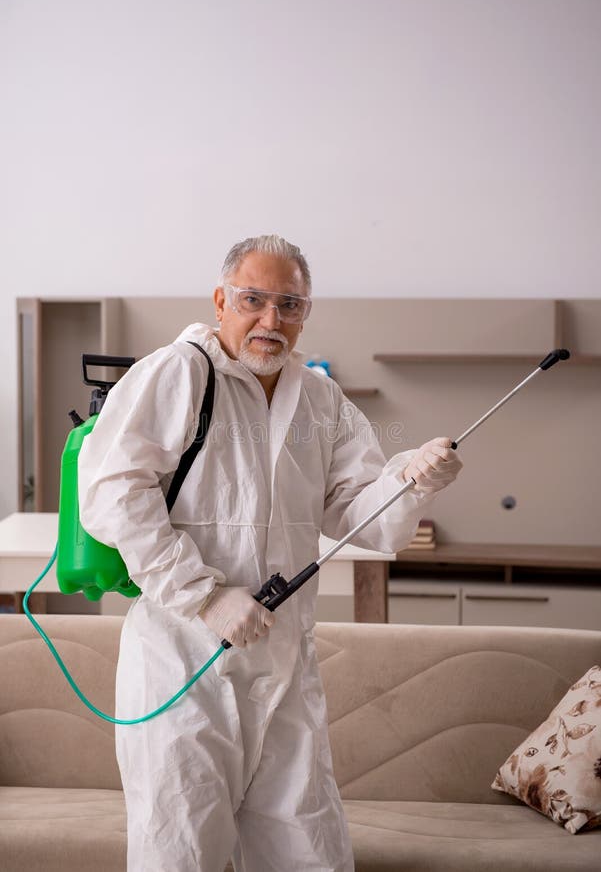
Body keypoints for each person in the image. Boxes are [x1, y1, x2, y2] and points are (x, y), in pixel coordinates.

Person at [78, 235, 463, 872]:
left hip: (285, 667)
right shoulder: (177, 373)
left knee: (308, 849)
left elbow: (356, 514)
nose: (271, 320)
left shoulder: (318, 399)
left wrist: (409, 479)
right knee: (182, 850)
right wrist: (204, 596)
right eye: (254, 300)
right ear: (221, 299)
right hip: (184, 663)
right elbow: (114, 491)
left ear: (306, 312)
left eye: (290, 304)